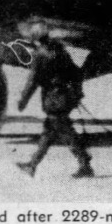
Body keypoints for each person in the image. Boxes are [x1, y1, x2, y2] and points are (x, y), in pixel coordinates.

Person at [14, 23, 92, 178]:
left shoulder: (39, 55)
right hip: (65, 97)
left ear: (35, 38)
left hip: (54, 99)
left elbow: (32, 81)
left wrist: (23, 101)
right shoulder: (61, 51)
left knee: (66, 133)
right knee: (48, 133)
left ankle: (85, 165)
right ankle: (32, 165)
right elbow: (76, 73)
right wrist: (77, 93)